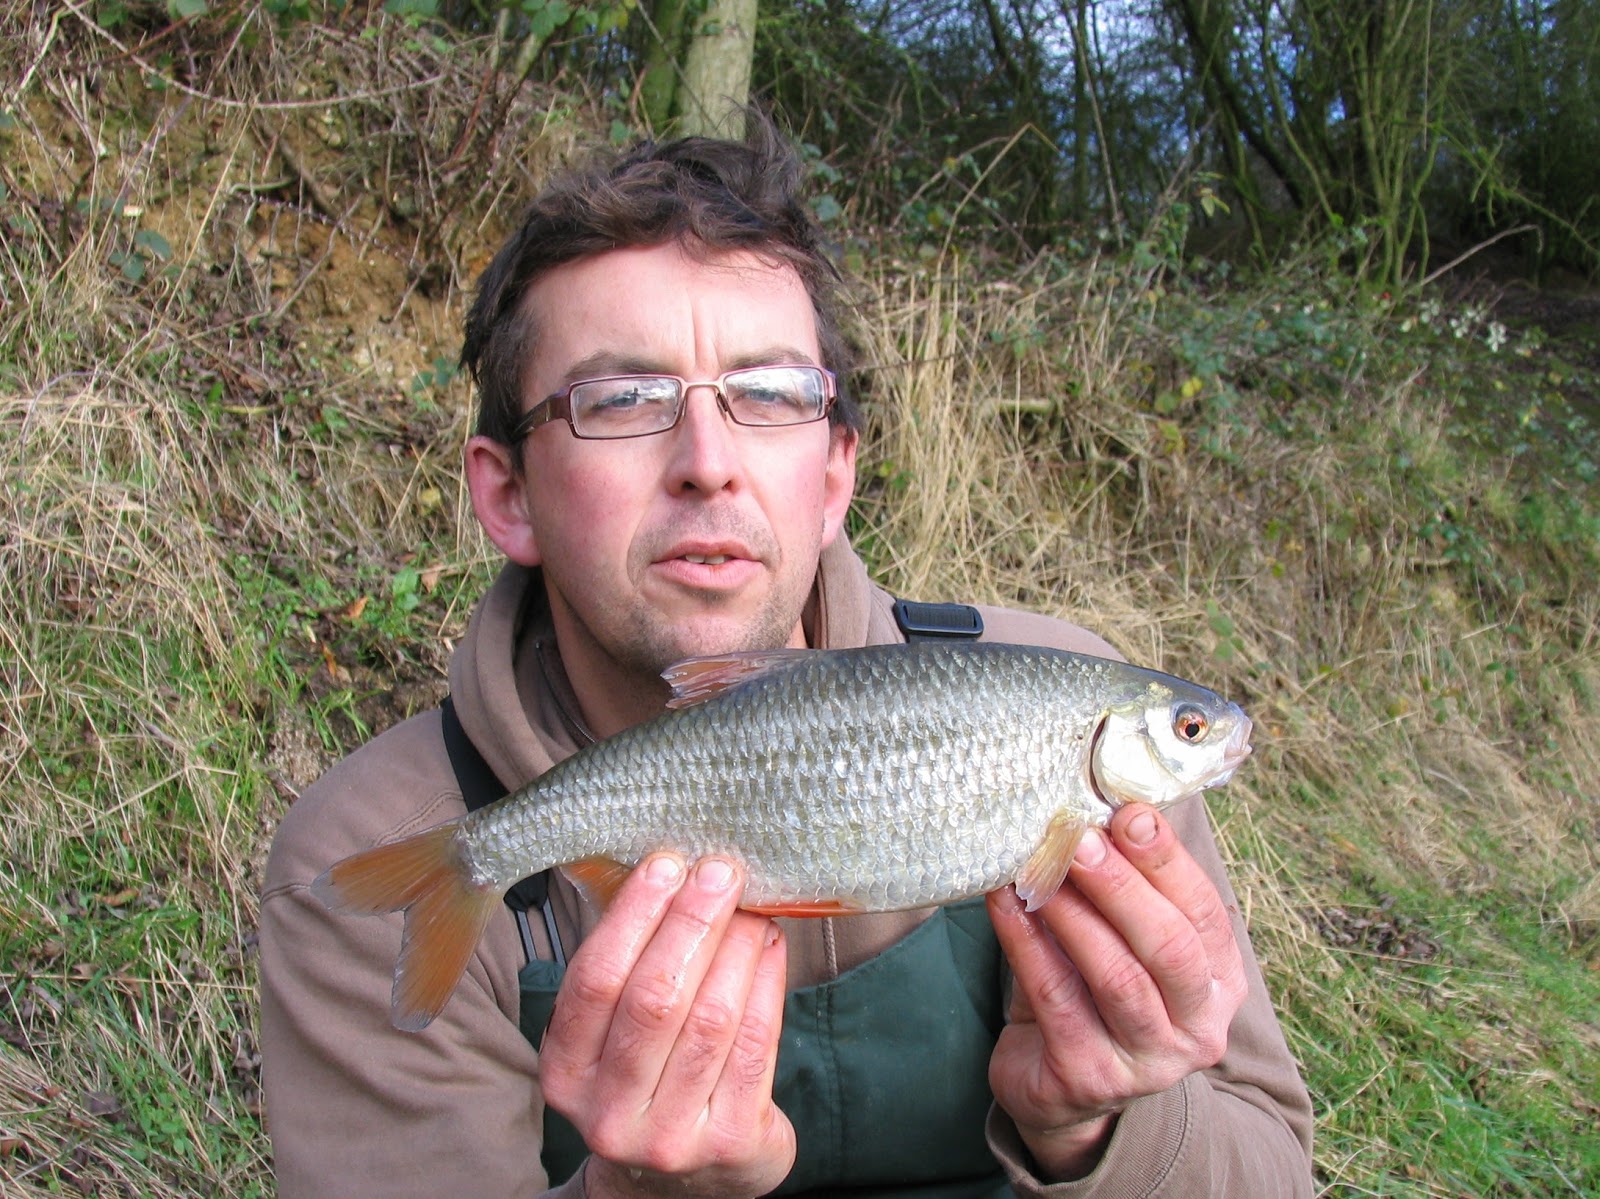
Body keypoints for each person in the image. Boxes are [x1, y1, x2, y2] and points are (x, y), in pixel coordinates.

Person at [259, 117, 1315, 1199]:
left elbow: (1279, 1171)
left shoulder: (1072, 690)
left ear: (834, 474)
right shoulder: (360, 847)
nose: (707, 462)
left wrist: (1099, 1128)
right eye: (623, 399)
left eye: (768, 394)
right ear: (507, 493)